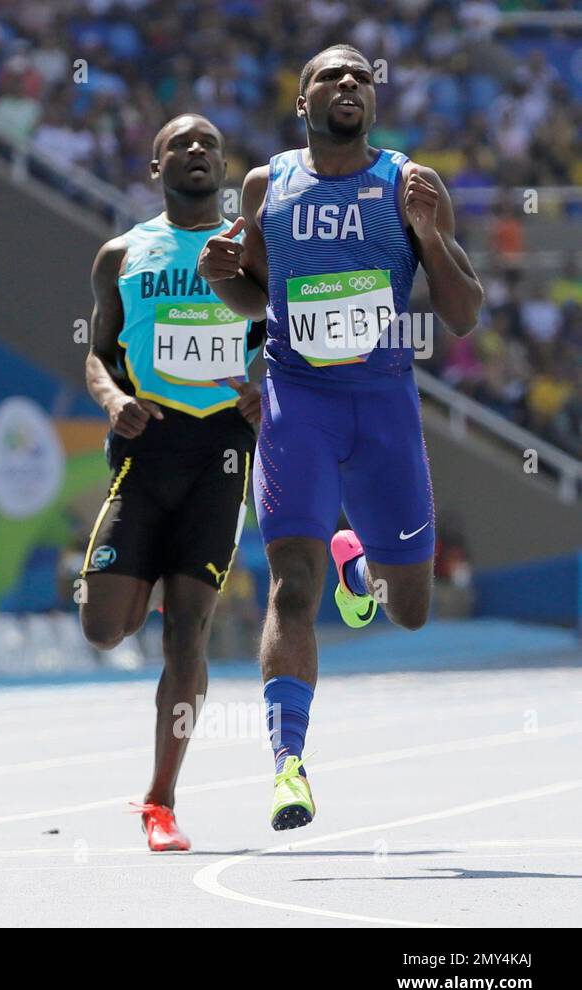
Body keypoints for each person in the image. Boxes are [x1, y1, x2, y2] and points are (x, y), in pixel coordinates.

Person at [198, 44, 483, 830]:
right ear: (304, 100)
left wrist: (429, 235)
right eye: (331, 74)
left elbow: (462, 314)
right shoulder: (268, 185)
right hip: (299, 403)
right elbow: (254, 299)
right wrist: (222, 274)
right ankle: (289, 762)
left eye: (361, 74)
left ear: (374, 98)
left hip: (384, 404)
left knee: (413, 609)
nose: (349, 83)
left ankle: (361, 566)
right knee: (292, 579)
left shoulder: (411, 185)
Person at [81, 114, 263, 851]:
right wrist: (114, 400)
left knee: (190, 631)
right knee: (104, 628)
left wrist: (266, 383)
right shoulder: (121, 254)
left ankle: (162, 800)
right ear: (156, 169)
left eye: (209, 146)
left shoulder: (256, 251)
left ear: (223, 167)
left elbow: (289, 337)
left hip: (221, 451)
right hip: (146, 446)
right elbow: (96, 354)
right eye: (179, 145)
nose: (197, 152)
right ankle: (142, 583)